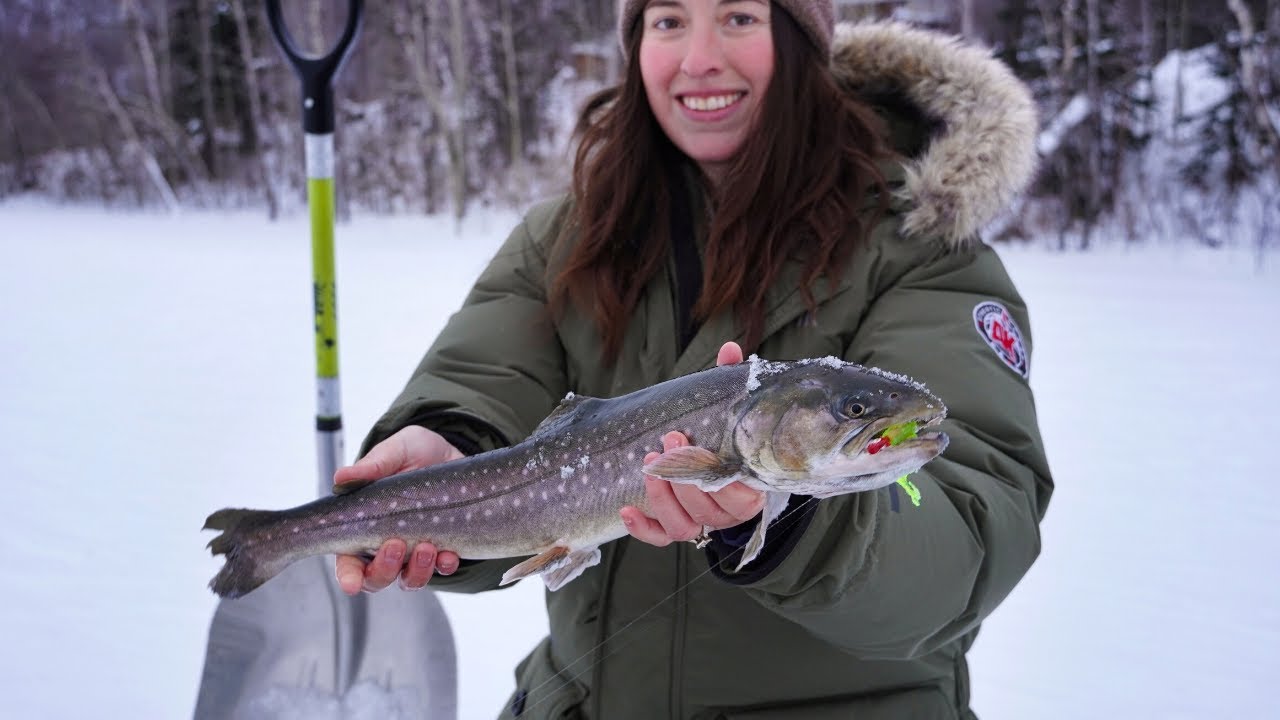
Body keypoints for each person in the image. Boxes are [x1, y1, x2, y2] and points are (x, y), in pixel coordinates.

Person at [333, 1, 1052, 717]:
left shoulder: (921, 248)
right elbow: (485, 387)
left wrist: (790, 522)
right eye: (669, 20)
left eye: (738, 17)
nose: (698, 58)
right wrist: (448, 450)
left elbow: (966, 527)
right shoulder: (565, 236)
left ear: (801, 42)